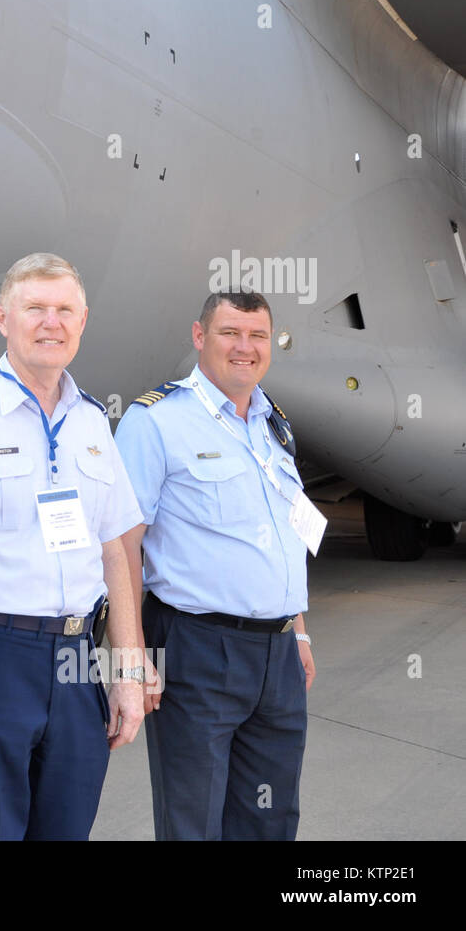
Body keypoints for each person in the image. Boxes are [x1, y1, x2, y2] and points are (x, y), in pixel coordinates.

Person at [0, 253, 145, 840]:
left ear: (83, 321)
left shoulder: (92, 420)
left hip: (75, 659)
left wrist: (127, 669)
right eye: (34, 308)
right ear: (1, 318)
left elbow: (114, 549)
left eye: (64, 310)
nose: (51, 322)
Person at [115, 290, 318, 840]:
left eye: (257, 336)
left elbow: (286, 533)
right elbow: (122, 544)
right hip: (199, 648)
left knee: (270, 819)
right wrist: (132, 655)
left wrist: (298, 632)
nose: (245, 348)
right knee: (193, 820)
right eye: (230, 333)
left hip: (277, 655)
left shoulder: (273, 421)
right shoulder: (156, 421)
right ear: (200, 337)